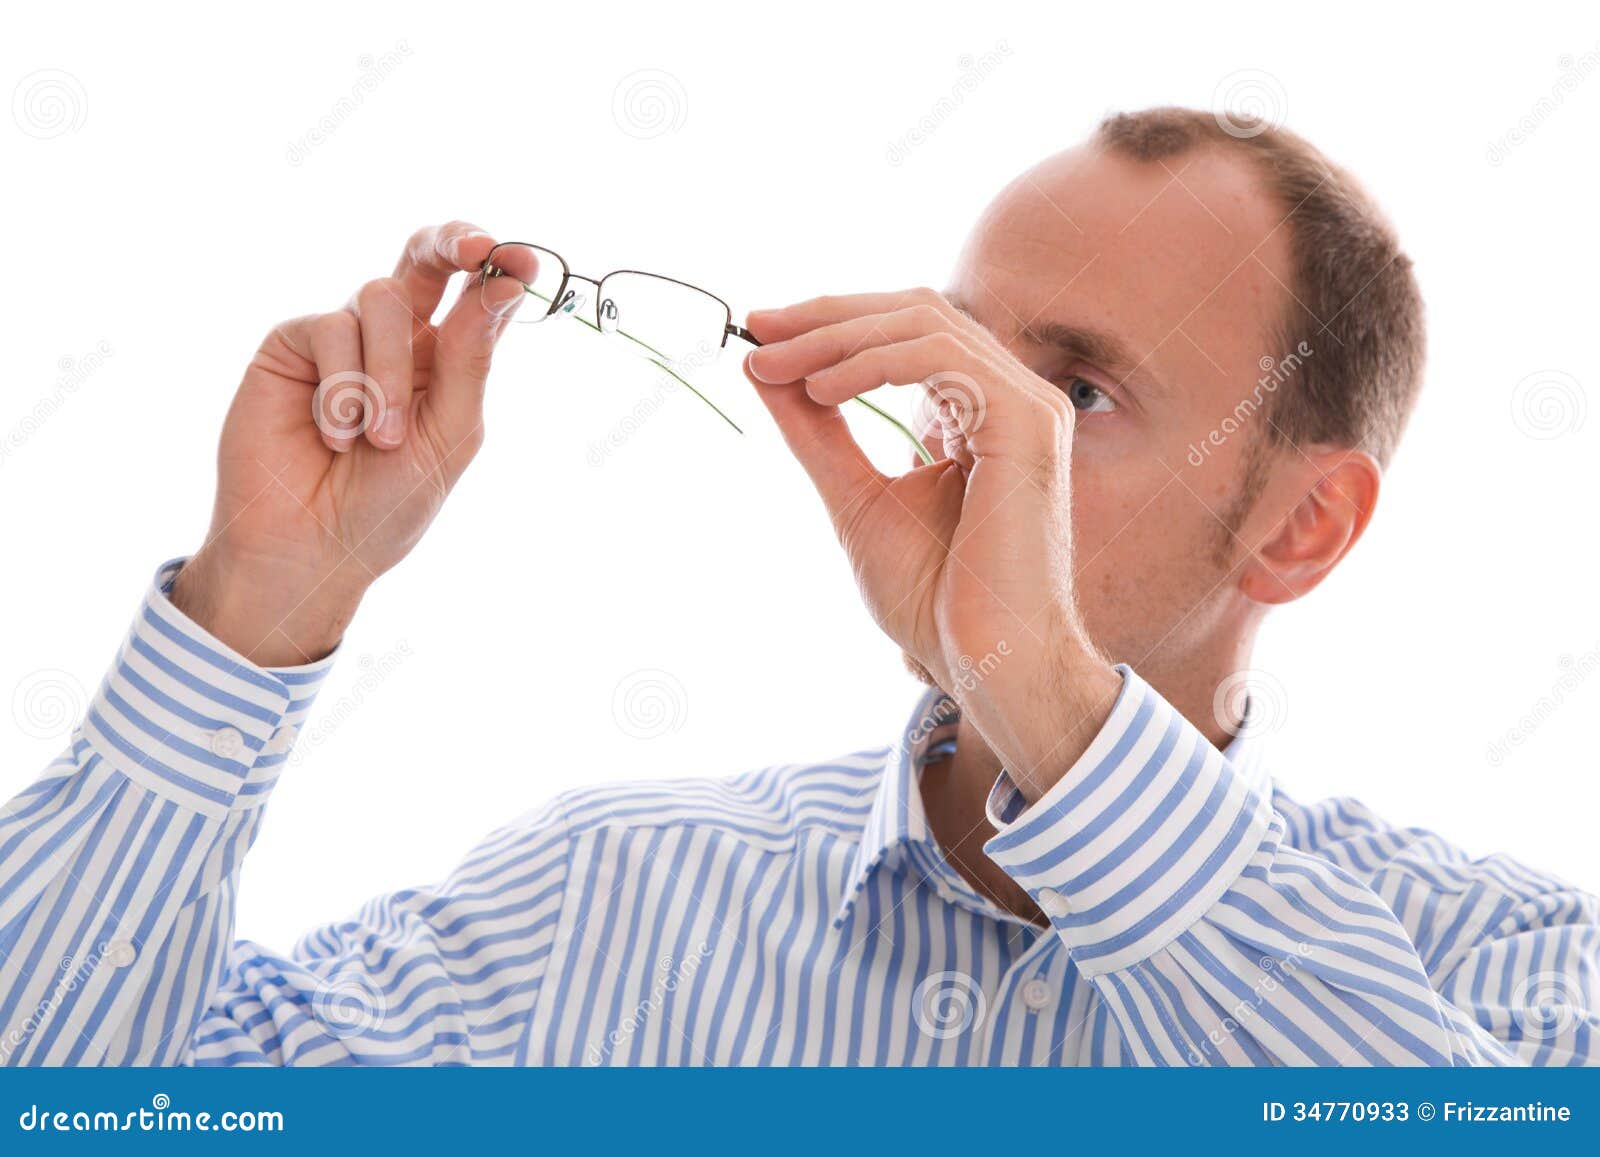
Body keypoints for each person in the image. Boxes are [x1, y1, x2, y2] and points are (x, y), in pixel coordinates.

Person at [2, 107, 1594, 1066]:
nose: (969, 429)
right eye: (959, 353)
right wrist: (257, 607)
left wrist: (1048, 695)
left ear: (1302, 527)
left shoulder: (1505, 965)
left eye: (1073, 395)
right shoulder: (603, 902)